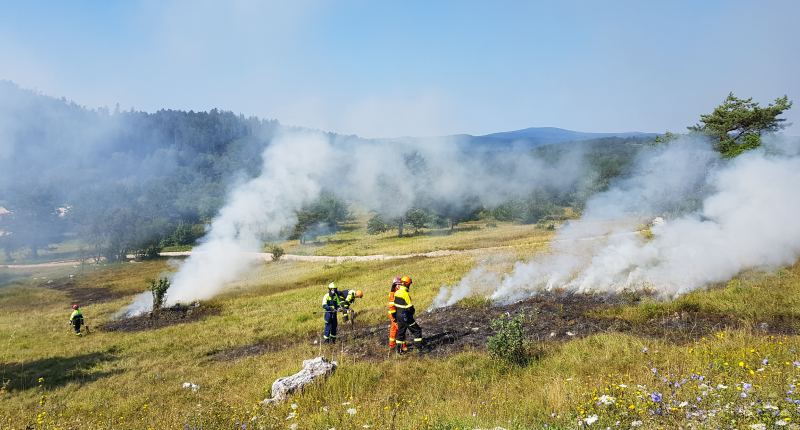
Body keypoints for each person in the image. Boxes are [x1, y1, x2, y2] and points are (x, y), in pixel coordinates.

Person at [391, 276, 426, 354]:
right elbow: (409, 308)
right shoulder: (405, 294)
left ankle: (398, 351)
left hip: (398, 316)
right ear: (407, 284)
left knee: (400, 332)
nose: (409, 286)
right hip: (405, 316)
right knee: (417, 330)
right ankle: (419, 349)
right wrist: (412, 313)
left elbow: (395, 304)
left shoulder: (397, 292)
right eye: (409, 284)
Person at [387, 277, 406, 352]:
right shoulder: (393, 293)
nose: (400, 286)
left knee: (394, 329)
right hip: (394, 314)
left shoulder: (396, 292)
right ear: (395, 285)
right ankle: (403, 347)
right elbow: (392, 306)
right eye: (398, 284)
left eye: (400, 284)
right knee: (400, 329)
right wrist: (394, 317)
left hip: (395, 313)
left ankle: (392, 345)